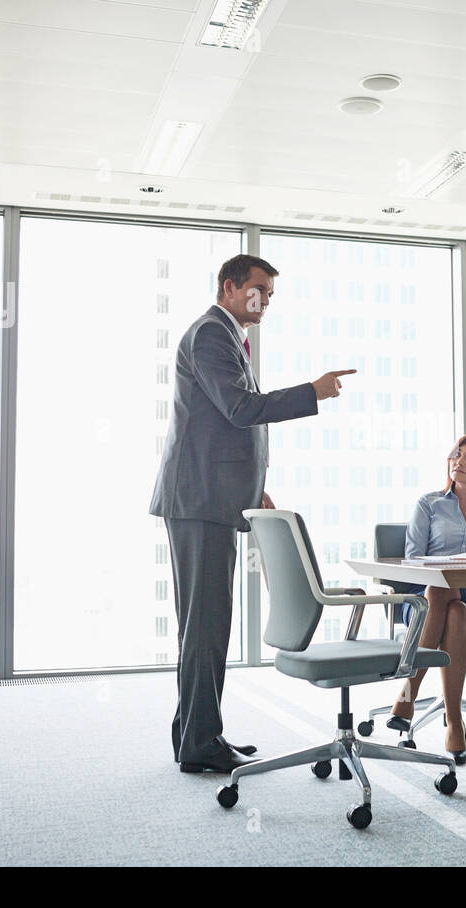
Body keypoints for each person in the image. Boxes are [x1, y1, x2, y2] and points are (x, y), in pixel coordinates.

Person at [150, 253, 355, 774]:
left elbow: (224, 422)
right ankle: (199, 742)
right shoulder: (210, 335)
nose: (264, 301)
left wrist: (255, 487)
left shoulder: (224, 335)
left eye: (270, 293)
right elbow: (240, 409)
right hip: (198, 502)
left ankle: (196, 736)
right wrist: (313, 391)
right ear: (229, 286)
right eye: (258, 289)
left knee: (205, 626)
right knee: (206, 627)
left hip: (210, 499)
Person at [387, 434, 466, 764]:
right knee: (451, 607)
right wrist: (445, 569)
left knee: (454, 597)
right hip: (423, 602)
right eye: (456, 455)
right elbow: (412, 560)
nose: (459, 461)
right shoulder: (429, 503)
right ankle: (455, 721)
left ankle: (407, 693)